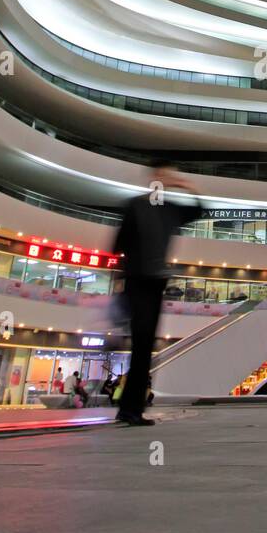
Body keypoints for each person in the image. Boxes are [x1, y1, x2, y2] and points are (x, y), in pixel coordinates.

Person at [112, 165, 203, 426]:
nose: (166, 180)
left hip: (154, 285)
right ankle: (130, 409)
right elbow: (117, 245)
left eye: (170, 176)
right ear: (153, 177)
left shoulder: (170, 209)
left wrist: (189, 188)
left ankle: (129, 408)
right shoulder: (135, 207)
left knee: (144, 348)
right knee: (141, 346)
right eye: (163, 175)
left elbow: (198, 211)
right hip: (137, 283)